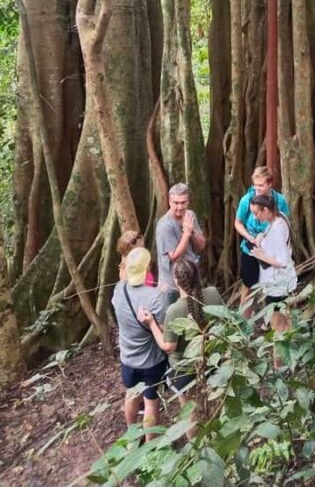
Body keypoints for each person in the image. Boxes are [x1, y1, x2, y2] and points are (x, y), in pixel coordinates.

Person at [139, 259, 223, 438]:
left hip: (185, 371)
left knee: (191, 414)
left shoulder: (174, 310)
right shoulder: (213, 294)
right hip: (212, 362)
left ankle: (197, 448)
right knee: (214, 404)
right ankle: (217, 438)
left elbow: (169, 347)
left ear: (176, 281)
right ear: (198, 275)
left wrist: (151, 323)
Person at [112, 247, 168, 440]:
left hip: (128, 358)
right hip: (151, 361)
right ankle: (151, 446)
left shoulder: (118, 290)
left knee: (131, 394)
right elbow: (163, 332)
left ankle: (132, 437)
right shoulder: (156, 297)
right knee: (150, 401)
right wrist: (161, 295)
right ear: (147, 268)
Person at [234, 166, 289, 315]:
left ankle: (273, 322)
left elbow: (283, 223)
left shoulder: (279, 201)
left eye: (261, 185)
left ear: (270, 184)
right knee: (248, 286)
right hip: (251, 249)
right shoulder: (247, 200)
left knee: (273, 288)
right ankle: (243, 322)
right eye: (255, 185)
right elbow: (238, 223)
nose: (257, 189)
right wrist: (249, 237)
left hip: (272, 252)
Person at [247, 193, 297, 334]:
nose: (255, 217)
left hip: (278, 285)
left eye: (256, 213)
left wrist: (260, 255)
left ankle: (279, 346)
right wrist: (261, 237)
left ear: (266, 210)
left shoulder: (278, 228)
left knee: (278, 325)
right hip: (280, 282)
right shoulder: (279, 218)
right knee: (286, 321)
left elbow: (282, 261)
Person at [156, 183, 206, 304]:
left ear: (188, 202)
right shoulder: (164, 226)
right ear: (169, 202)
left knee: (195, 312)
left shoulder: (190, 215)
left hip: (192, 278)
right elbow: (174, 257)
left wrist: (192, 231)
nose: (179, 207)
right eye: (176, 203)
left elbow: (202, 245)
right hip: (173, 285)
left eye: (183, 202)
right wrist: (186, 233)